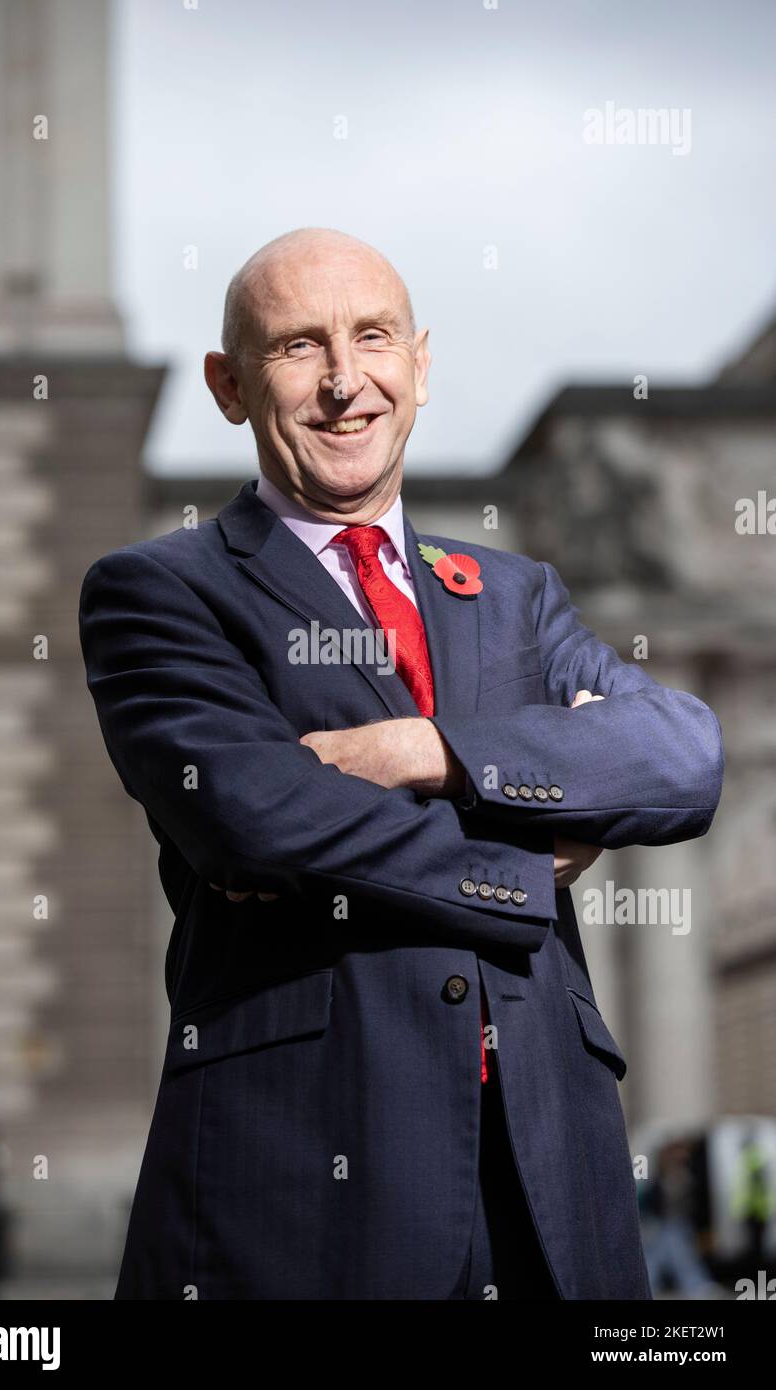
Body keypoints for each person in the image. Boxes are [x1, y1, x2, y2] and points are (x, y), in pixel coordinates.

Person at [78, 227, 724, 1300]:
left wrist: (418, 750)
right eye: (298, 347)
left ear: (419, 364)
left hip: (551, 1188)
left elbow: (682, 755)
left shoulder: (516, 594)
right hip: (303, 1186)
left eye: (372, 337)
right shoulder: (159, 589)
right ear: (229, 387)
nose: (345, 381)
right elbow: (253, 813)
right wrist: (526, 856)